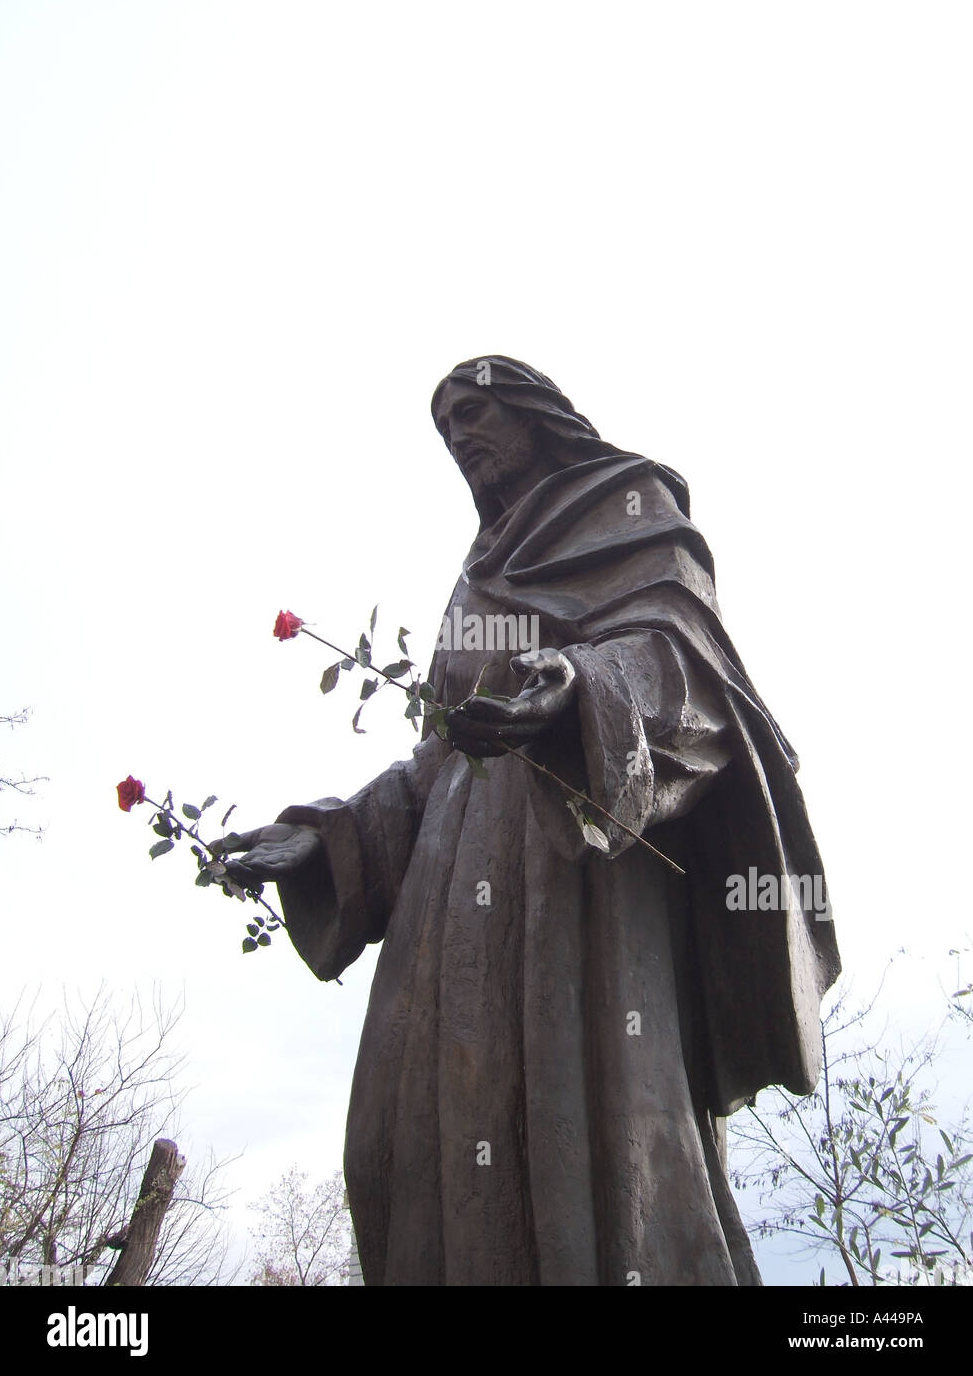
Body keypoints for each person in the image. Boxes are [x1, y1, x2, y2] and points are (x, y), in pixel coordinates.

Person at [228, 356, 840, 1286]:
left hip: (581, 851)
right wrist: (330, 835)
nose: (459, 439)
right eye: (444, 429)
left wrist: (579, 688)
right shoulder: (476, 574)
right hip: (451, 876)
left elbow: (689, 669)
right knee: (408, 1129)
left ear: (535, 413)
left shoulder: (627, 505)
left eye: (474, 413)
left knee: (593, 1122)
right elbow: (437, 763)